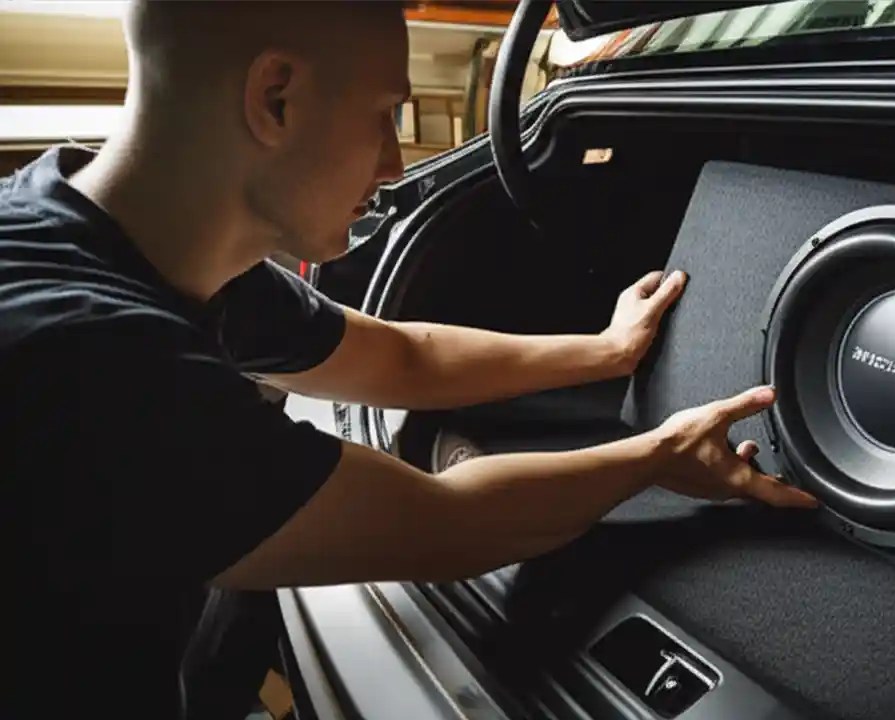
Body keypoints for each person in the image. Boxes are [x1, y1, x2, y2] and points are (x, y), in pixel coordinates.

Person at [0, 1, 818, 717]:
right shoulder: (89, 363)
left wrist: (606, 351)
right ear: (274, 97)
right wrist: (660, 455)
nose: (395, 167)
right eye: (386, 115)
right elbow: (446, 523)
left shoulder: (103, 230)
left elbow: (403, 358)